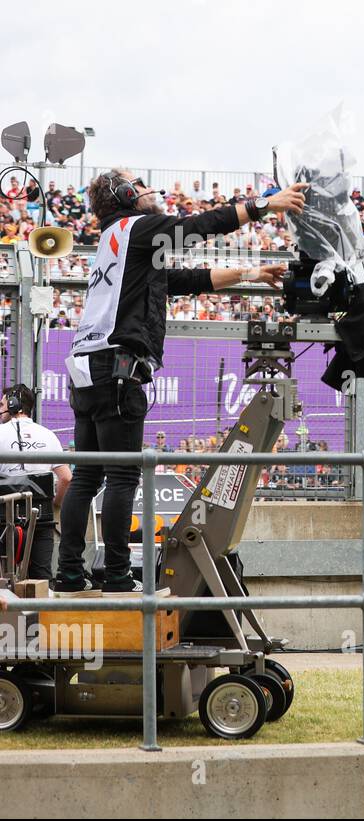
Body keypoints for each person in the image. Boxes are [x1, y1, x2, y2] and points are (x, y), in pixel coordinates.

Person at [53, 169, 305, 598]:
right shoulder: (139, 226)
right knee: (120, 475)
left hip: (87, 368)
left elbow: (182, 282)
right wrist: (266, 205)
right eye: (141, 185)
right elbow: (199, 227)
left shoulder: (114, 242)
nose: (153, 193)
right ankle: (115, 576)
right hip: (116, 367)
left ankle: (71, 574)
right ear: (128, 195)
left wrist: (250, 273)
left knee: (87, 476)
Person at [0, 384, 71, 582]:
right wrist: (55, 503)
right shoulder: (48, 434)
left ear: (13, 405)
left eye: (2, 404)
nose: (0, 409)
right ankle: (39, 612)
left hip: (4, 518)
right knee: (41, 580)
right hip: (43, 517)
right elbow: (66, 478)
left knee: (4, 580)